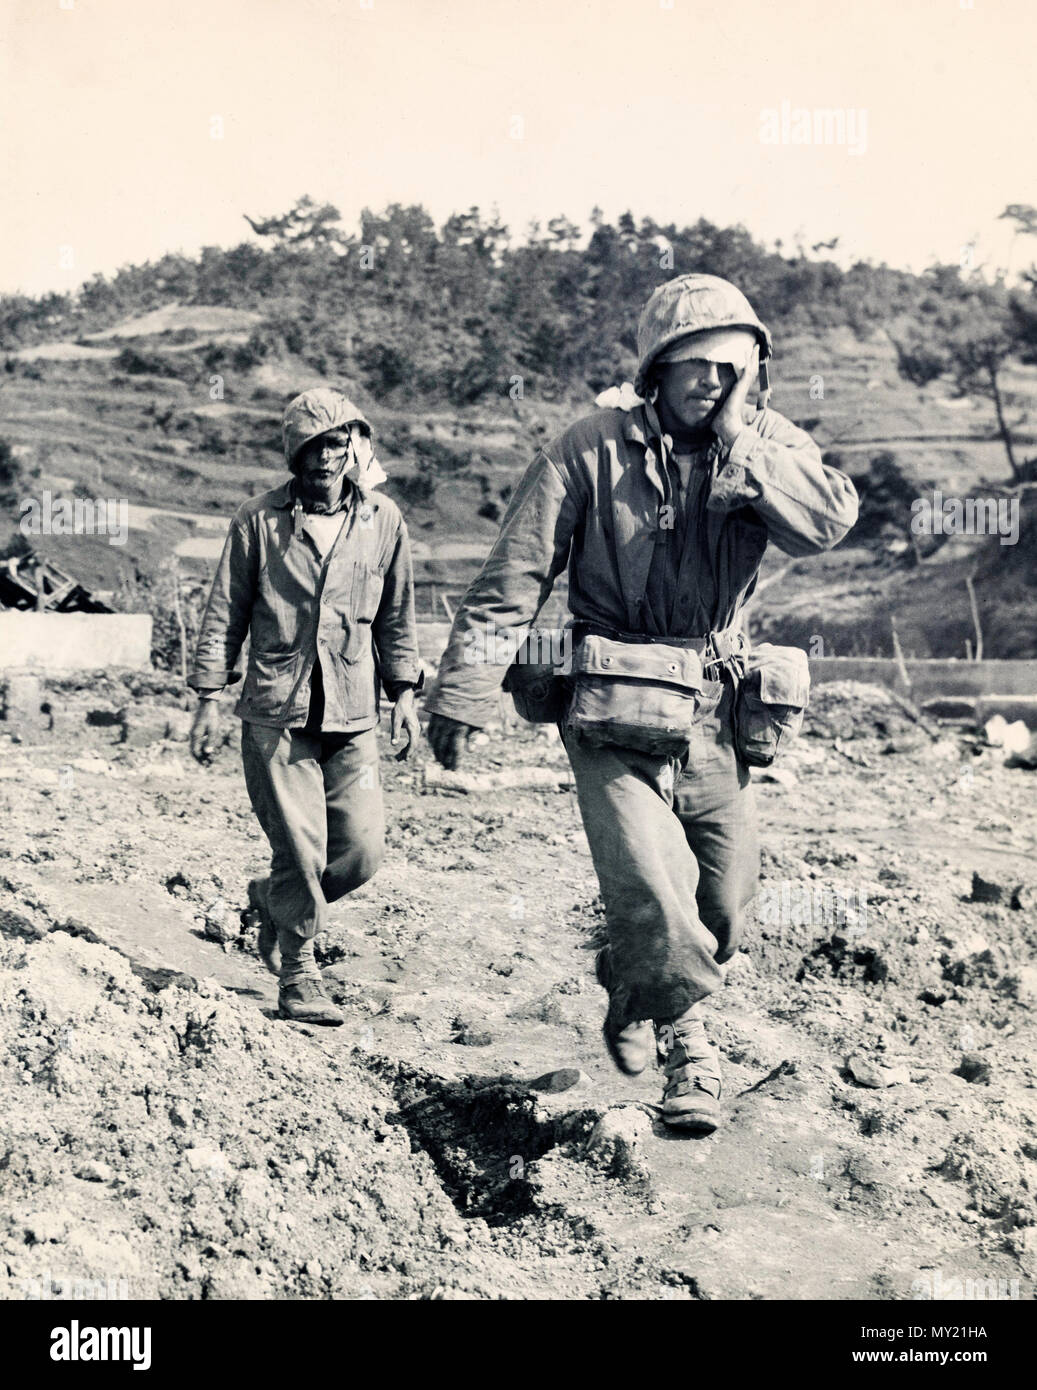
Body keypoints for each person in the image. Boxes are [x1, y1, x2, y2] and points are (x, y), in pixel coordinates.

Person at [425, 274, 858, 1130]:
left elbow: (826, 525)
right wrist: (463, 693)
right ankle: (692, 1059)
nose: (710, 381)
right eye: (692, 364)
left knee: (723, 909)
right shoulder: (589, 448)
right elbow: (510, 580)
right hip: (612, 711)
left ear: (755, 372)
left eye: (731, 366)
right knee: (655, 890)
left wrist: (745, 445)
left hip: (716, 710)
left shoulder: (768, 442)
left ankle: (633, 986)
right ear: (654, 370)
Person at [188, 387, 423, 1025]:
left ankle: (274, 901)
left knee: (362, 850)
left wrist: (404, 692)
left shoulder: (384, 521)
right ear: (294, 453)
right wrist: (209, 695)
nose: (325, 457)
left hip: (353, 708)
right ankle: (299, 970)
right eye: (312, 445)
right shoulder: (257, 522)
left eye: (337, 443)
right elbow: (224, 613)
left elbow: (398, 615)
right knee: (301, 848)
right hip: (275, 709)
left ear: (354, 447)